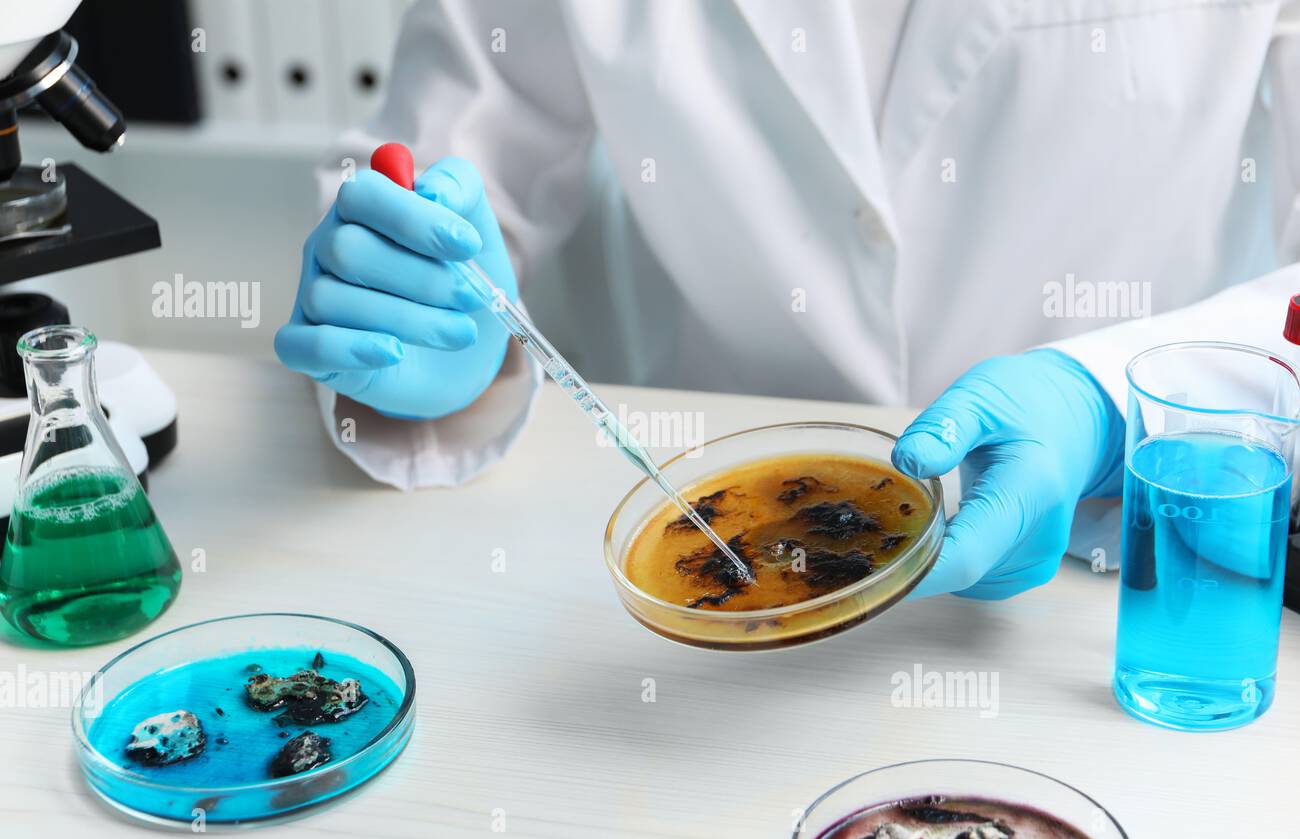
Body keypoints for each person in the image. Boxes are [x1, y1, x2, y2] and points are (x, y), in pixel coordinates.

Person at [276, 0, 1300, 599]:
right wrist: (409, 306)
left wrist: (1110, 399)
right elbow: (454, 154)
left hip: (1124, 560)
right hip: (722, 552)